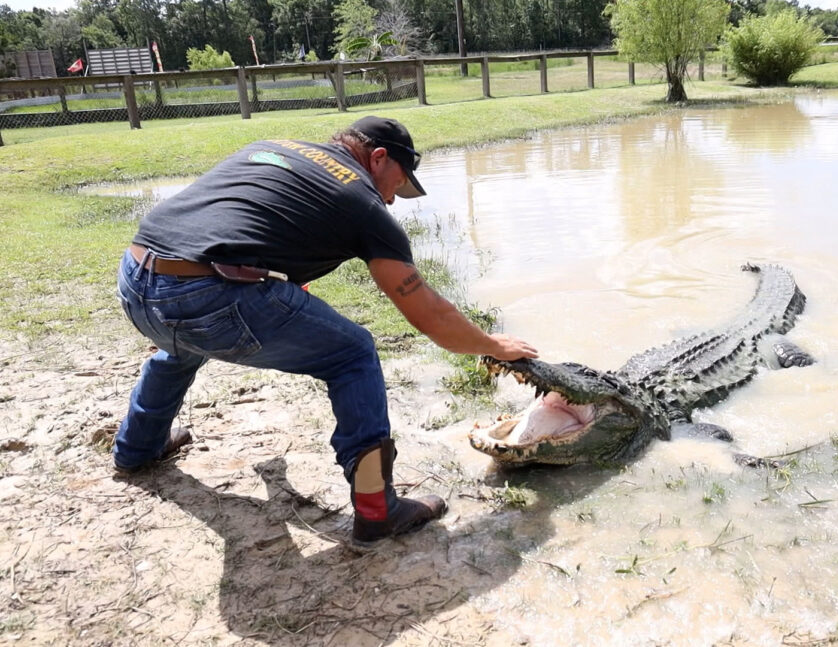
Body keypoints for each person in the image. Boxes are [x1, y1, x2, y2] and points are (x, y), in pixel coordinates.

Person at [114, 115, 538, 545]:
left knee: (183, 341)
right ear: (378, 158)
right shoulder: (363, 201)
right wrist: (493, 344)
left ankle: (136, 447)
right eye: (397, 183)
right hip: (206, 297)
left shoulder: (275, 147)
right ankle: (377, 511)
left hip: (136, 281)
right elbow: (429, 315)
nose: (392, 200)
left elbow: (244, 220)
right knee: (353, 353)